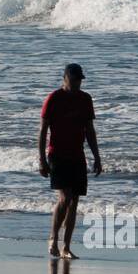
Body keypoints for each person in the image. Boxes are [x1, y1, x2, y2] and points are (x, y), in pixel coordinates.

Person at [39, 64, 101, 260]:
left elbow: (89, 130)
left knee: (74, 202)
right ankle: (52, 238)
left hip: (77, 156)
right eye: (74, 80)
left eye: (80, 80)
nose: (77, 83)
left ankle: (66, 247)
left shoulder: (85, 99)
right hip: (57, 155)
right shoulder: (54, 98)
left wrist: (97, 157)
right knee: (65, 198)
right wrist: (42, 159)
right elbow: (42, 131)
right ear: (65, 78)